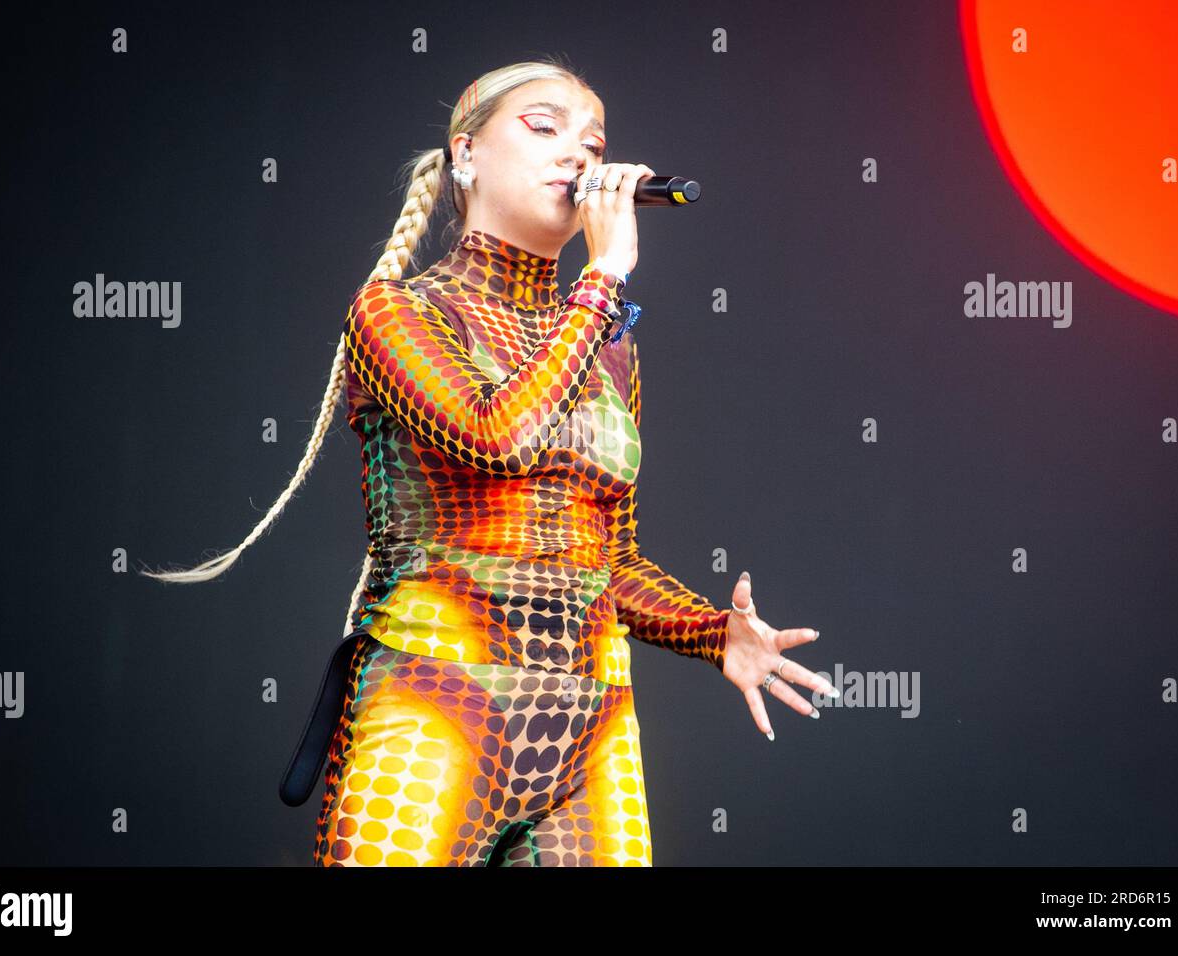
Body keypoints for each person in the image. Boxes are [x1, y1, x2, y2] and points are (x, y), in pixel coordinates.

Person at [143, 56, 838, 866]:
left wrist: (713, 632)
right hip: (433, 703)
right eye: (544, 128)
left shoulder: (609, 347)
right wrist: (603, 279)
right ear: (465, 156)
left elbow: (607, 563)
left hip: (591, 730)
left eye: (594, 142)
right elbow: (496, 439)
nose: (578, 155)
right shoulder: (395, 312)